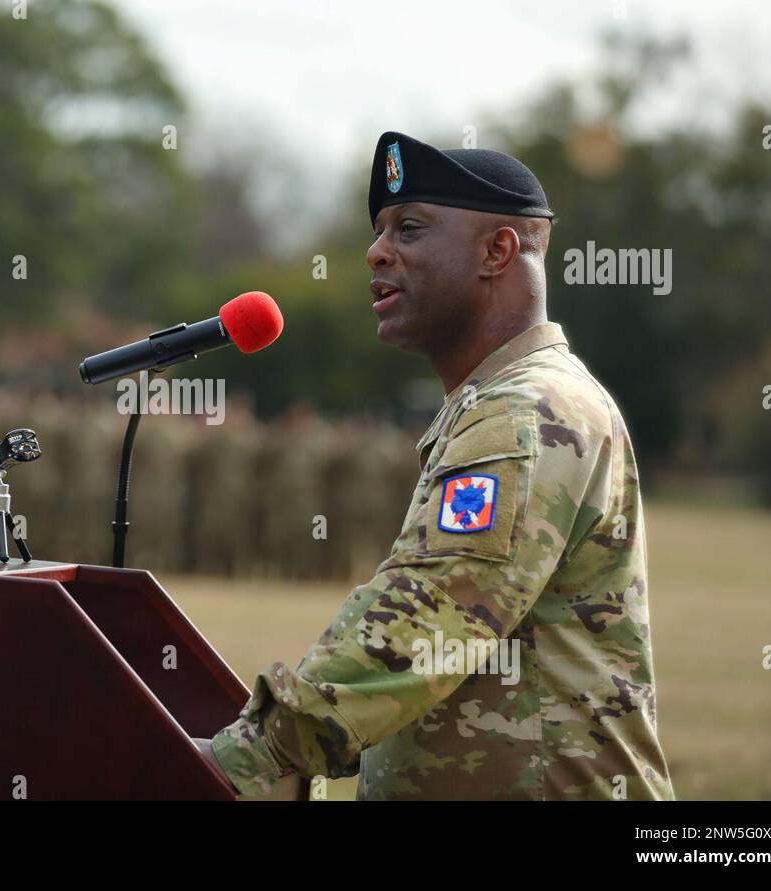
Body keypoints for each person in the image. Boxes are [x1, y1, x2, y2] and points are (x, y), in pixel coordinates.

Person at [199, 132, 674, 801]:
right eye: (379, 229)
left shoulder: (527, 412)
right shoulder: (491, 403)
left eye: (410, 228)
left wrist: (246, 756)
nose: (376, 250)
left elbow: (426, 617)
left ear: (497, 250)